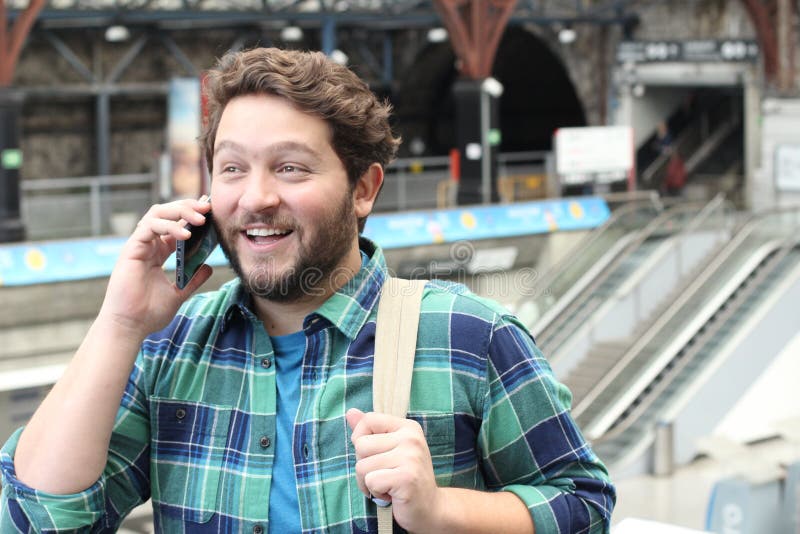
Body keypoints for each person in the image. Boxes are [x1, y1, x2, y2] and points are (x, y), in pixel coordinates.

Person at [0, 47, 615, 533]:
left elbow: (583, 506)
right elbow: (37, 519)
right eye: (233, 168)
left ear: (364, 188)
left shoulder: (472, 337)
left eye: (291, 167)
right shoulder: (170, 347)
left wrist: (440, 512)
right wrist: (120, 322)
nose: (256, 196)